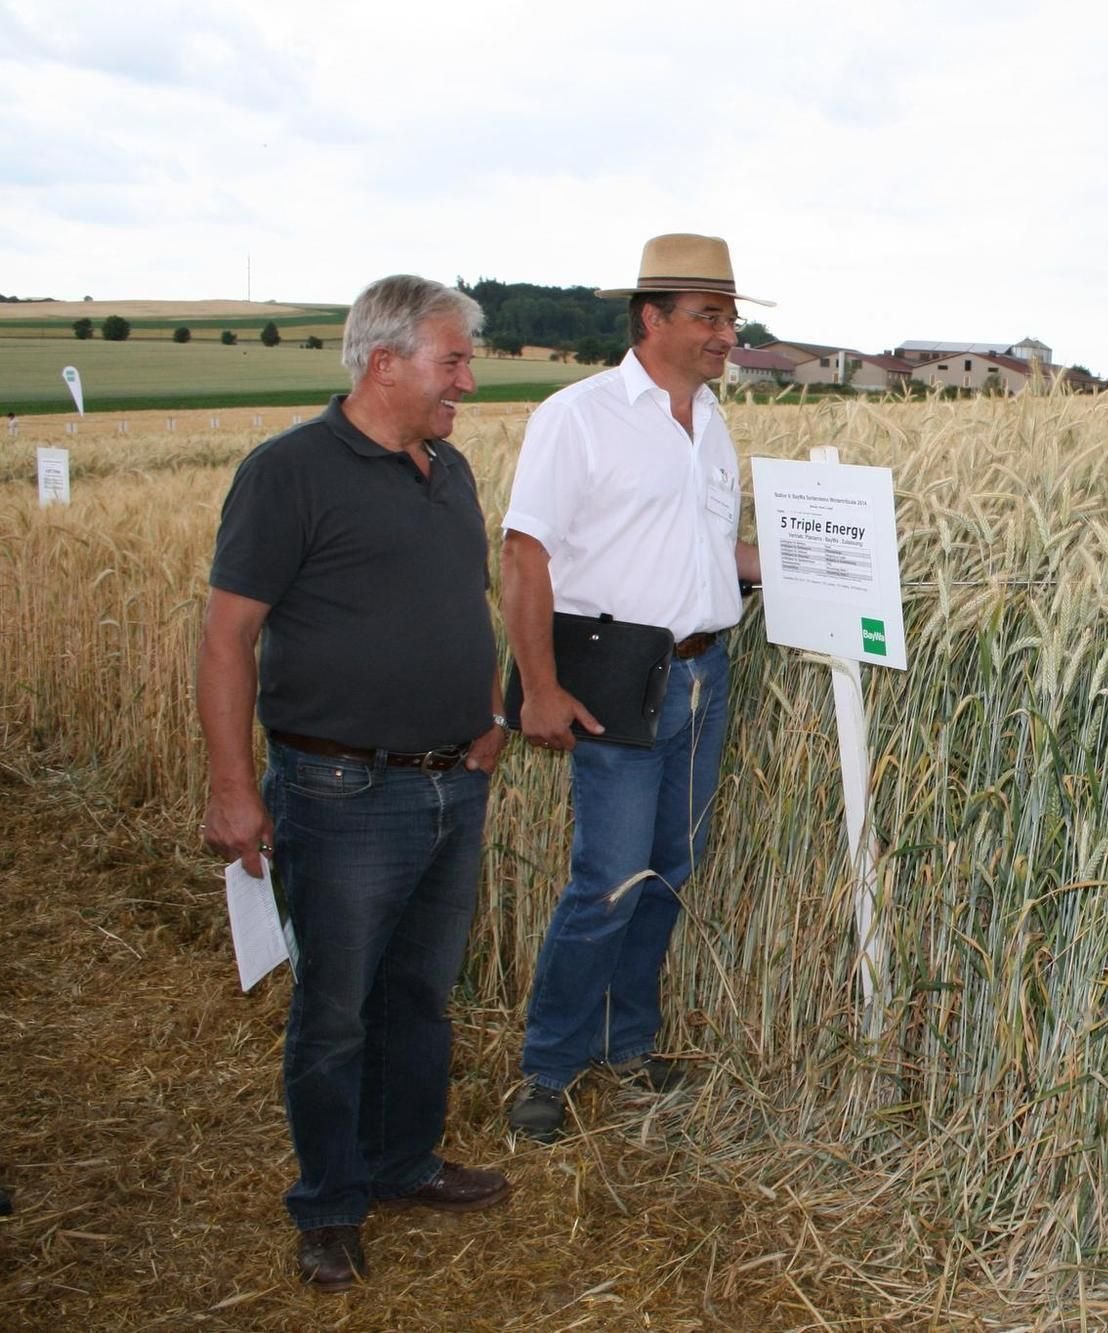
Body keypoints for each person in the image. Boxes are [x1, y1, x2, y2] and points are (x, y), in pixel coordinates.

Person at [197, 275, 513, 1292]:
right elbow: (228, 636)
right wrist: (233, 785)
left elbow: (460, 602)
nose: (468, 380)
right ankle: (330, 1202)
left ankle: (402, 1160)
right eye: (452, 361)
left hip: (452, 783)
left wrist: (489, 713)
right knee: (335, 1011)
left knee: (419, 995)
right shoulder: (287, 473)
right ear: (384, 362)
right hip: (341, 791)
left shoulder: (450, 469)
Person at [502, 233, 766, 1141]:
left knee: (668, 874)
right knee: (609, 882)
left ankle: (627, 1042)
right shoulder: (577, 417)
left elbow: (710, 553)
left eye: (731, 318)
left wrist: (823, 561)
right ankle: (549, 1065)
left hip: (703, 674)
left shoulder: (712, 423)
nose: (727, 335)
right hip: (616, 678)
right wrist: (538, 688)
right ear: (652, 318)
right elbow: (524, 554)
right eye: (710, 316)